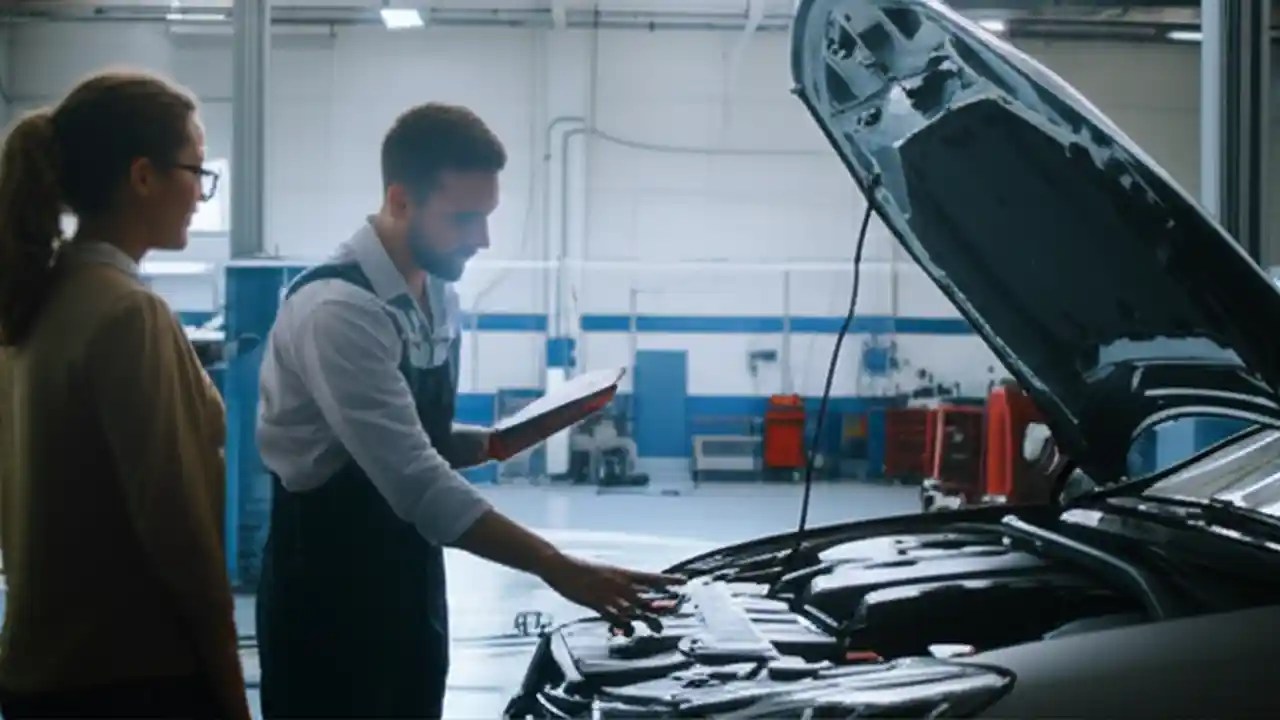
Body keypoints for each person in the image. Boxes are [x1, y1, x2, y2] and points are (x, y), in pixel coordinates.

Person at [255, 102, 683, 718]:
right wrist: (557, 567)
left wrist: (494, 441)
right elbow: (415, 481)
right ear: (400, 201)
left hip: (410, 575)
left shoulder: (438, 296)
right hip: (329, 586)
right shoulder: (338, 310)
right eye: (464, 219)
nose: (481, 239)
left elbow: (408, 435)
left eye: (487, 217)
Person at [0, 70, 249, 720]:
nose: (199, 193)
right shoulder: (128, 314)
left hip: (41, 672)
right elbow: (180, 533)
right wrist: (230, 690)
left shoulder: (34, 303)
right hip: (130, 679)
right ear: (143, 176)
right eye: (195, 171)